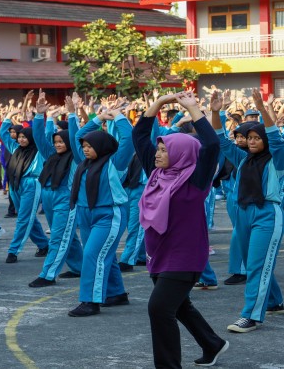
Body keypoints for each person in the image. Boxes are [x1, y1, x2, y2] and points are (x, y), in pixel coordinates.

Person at [134, 91, 229, 368]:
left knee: (159, 308)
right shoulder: (157, 174)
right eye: (159, 148)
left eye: (164, 149)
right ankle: (213, 343)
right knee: (180, 306)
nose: (158, 153)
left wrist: (194, 109)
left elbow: (211, 146)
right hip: (158, 253)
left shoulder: (195, 180)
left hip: (185, 255)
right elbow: (140, 137)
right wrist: (158, 103)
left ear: (180, 153)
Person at [211, 89, 284, 333]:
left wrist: (262, 108)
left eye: (255, 137)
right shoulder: (242, 158)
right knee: (254, 263)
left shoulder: (278, 159)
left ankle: (251, 315)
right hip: (243, 213)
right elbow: (221, 140)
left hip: (267, 214)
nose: (251, 141)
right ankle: (274, 301)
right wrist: (215, 111)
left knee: (256, 265)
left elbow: (275, 138)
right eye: (248, 137)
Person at [67, 105, 134, 317]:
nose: (85, 149)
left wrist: (119, 117)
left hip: (109, 214)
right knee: (104, 254)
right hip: (86, 213)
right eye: (84, 146)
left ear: (102, 146)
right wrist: (98, 118)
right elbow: (78, 134)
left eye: (90, 146)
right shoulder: (84, 161)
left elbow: (129, 139)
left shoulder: (115, 162)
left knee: (93, 255)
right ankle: (116, 293)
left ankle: (90, 300)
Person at [28, 92, 83, 287]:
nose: (58, 144)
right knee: (68, 236)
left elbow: (77, 140)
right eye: (57, 141)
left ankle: (48, 274)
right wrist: (39, 116)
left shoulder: (77, 158)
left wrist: (72, 114)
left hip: (66, 199)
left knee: (59, 237)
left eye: (62, 142)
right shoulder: (51, 153)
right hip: (49, 198)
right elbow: (39, 138)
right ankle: (79, 267)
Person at [0, 93, 50, 264]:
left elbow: (40, 134)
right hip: (16, 184)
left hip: (32, 184)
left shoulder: (39, 150)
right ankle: (43, 245)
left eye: (24, 136)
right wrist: (8, 117)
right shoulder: (16, 148)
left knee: (23, 219)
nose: (21, 139)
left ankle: (14, 250)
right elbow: (3, 134)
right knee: (27, 217)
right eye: (19, 136)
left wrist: (40, 115)